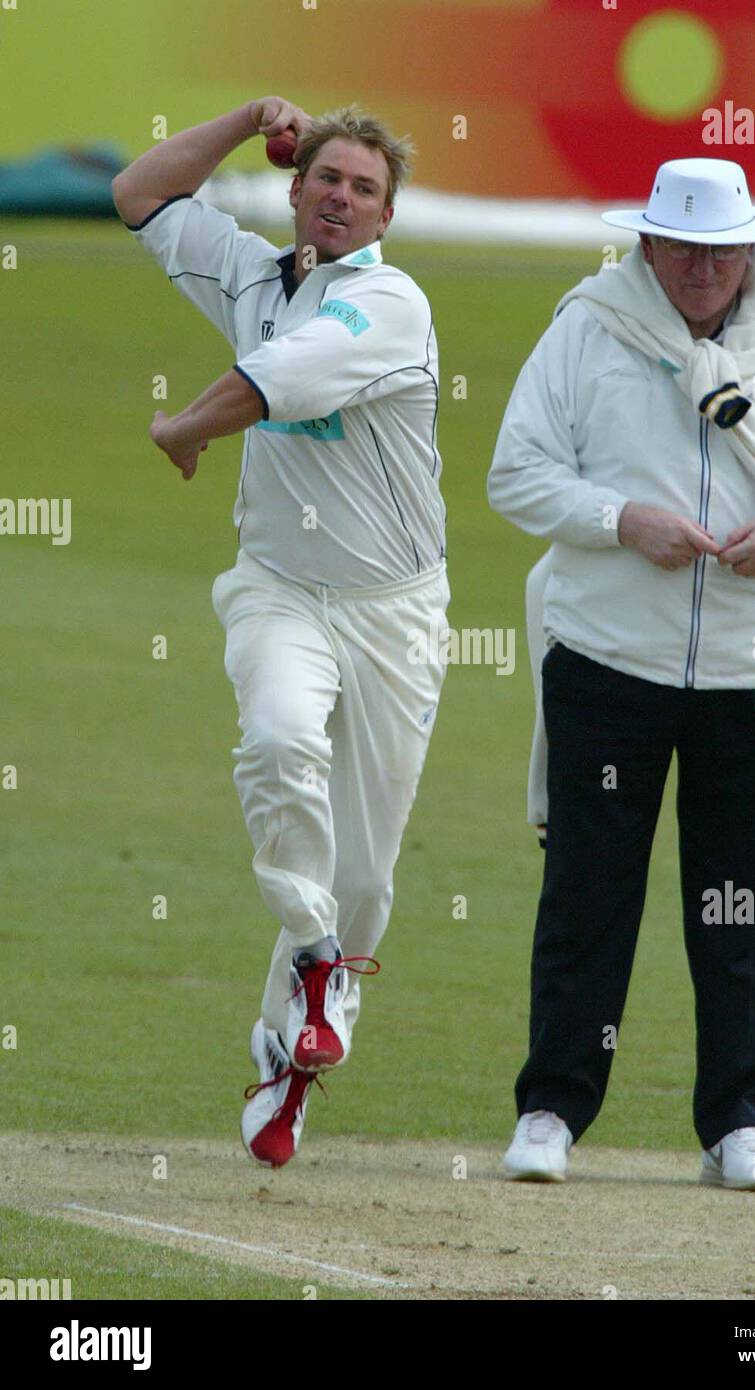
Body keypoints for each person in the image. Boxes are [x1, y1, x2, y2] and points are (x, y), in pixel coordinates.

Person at [488, 158, 755, 1189]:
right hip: (606, 664)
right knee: (587, 893)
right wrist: (619, 520)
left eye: (719, 248)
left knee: (739, 901)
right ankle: (551, 1108)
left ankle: (736, 1122)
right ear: (644, 243)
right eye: (680, 246)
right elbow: (517, 470)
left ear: (748, 247)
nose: (700, 267)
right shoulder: (586, 327)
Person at [112, 97, 449, 1168]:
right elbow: (140, 194)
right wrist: (249, 116)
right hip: (279, 588)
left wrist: (179, 426)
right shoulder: (254, 272)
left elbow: (273, 384)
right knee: (274, 740)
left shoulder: (388, 303)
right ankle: (312, 958)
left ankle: (287, 1067)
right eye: (326, 180)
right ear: (296, 190)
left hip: (393, 608)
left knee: (370, 874)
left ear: (385, 216)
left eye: (362, 188)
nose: (340, 199)